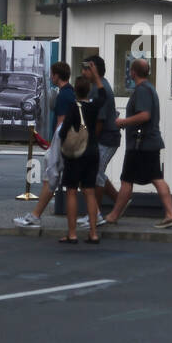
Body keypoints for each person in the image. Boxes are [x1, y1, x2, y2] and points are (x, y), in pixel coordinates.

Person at [105, 58, 172, 228]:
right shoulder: (149, 89)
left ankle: (114, 215)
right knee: (156, 178)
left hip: (140, 144)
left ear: (133, 72)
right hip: (149, 142)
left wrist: (121, 122)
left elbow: (145, 115)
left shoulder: (142, 91)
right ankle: (170, 214)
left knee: (127, 179)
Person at [14, 62, 76, 228]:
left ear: (57, 75)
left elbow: (61, 124)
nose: (50, 77)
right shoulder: (71, 92)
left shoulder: (63, 95)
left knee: (50, 178)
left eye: (52, 74)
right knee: (57, 181)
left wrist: (53, 147)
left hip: (62, 144)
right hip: (70, 144)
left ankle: (36, 216)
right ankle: (36, 215)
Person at [58, 75, 103, 244]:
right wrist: (96, 77)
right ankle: (93, 233)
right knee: (89, 192)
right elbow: (104, 95)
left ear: (75, 90)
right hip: (93, 152)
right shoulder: (94, 106)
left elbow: (63, 132)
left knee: (71, 191)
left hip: (76, 154)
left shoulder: (73, 107)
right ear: (89, 90)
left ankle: (72, 233)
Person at [77, 56, 120, 226]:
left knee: (95, 176)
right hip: (109, 138)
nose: (83, 72)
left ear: (94, 69)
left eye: (86, 68)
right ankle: (119, 202)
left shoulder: (97, 89)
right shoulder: (101, 85)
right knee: (98, 173)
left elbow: (99, 121)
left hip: (106, 139)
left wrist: (90, 142)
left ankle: (95, 214)